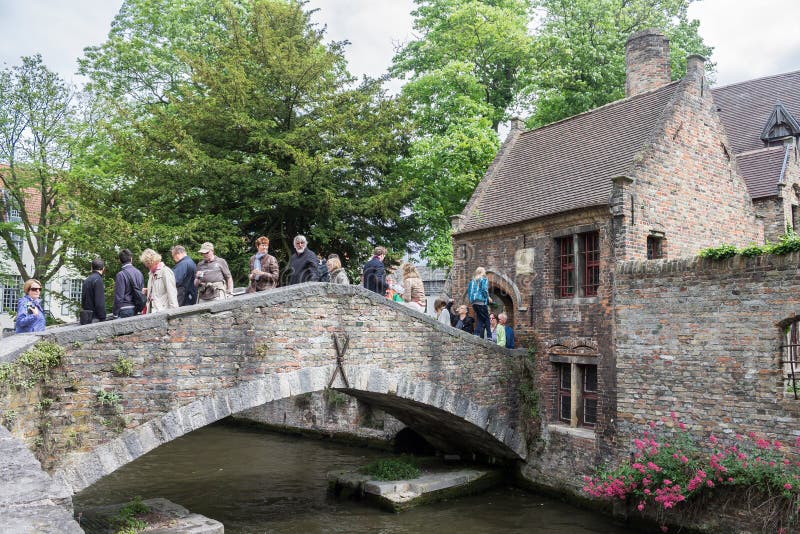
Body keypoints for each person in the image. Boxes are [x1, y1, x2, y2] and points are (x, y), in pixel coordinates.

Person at [114, 248, 145, 318]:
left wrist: (115, 313)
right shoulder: (139, 273)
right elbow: (142, 292)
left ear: (120, 260)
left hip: (125, 309)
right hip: (137, 309)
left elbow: (119, 297)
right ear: (131, 259)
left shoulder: (120, 275)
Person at [80, 257, 106, 324]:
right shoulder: (98, 280)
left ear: (91, 268)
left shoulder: (87, 280)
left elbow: (83, 301)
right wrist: (103, 318)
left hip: (86, 317)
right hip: (95, 318)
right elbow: (99, 303)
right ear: (103, 268)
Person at [468, 267, 491, 339]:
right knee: (487, 318)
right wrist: (488, 298)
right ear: (482, 272)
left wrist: (472, 301)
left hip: (474, 302)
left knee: (480, 318)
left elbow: (469, 293)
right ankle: (489, 336)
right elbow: (484, 289)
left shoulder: (472, 281)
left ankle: (476, 333)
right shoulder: (483, 279)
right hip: (481, 301)